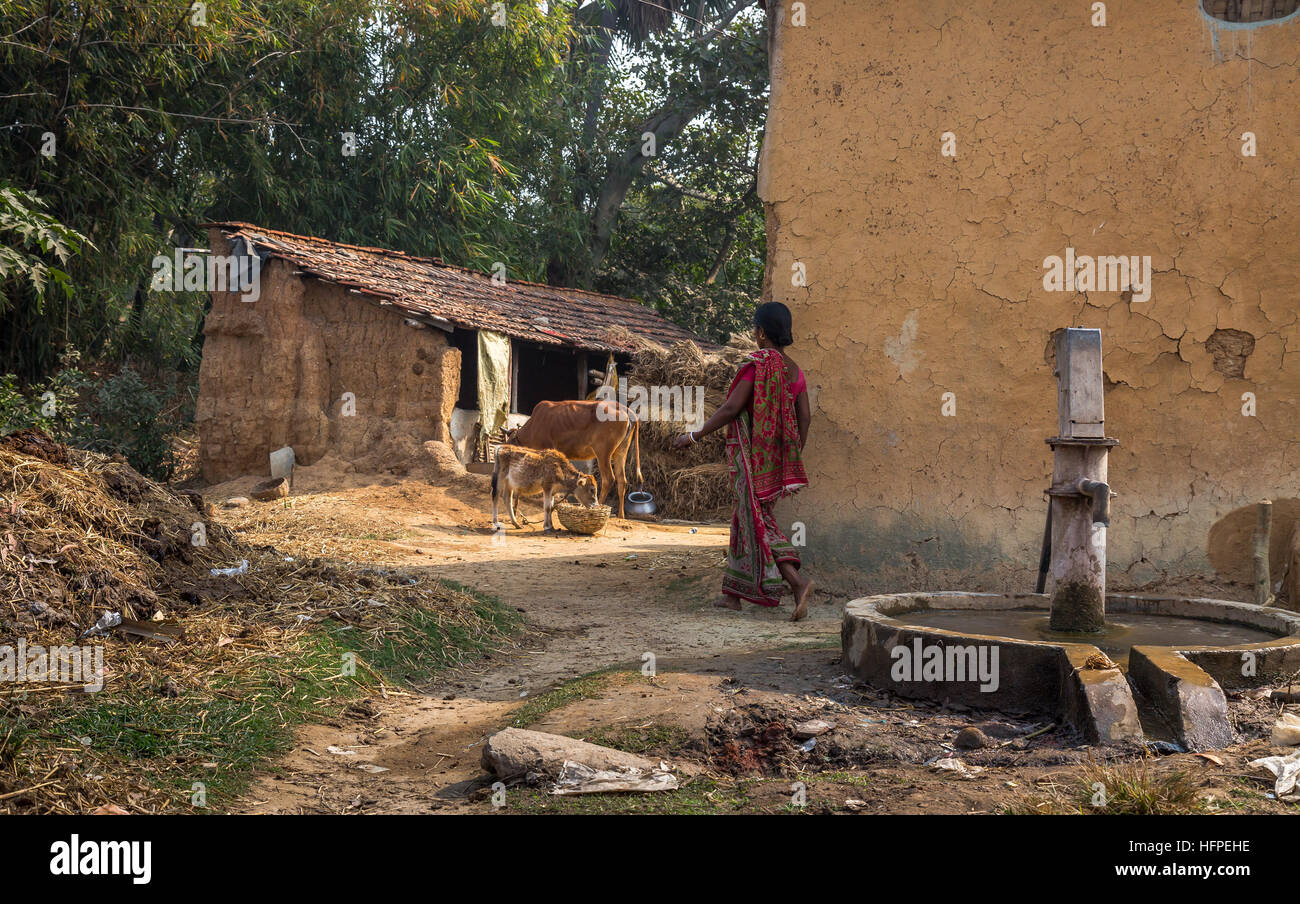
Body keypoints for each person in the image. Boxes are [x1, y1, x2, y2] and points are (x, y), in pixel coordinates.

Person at [672, 301, 814, 621]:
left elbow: (731, 408)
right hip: (776, 462)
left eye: (755, 328)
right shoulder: (794, 371)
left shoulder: (756, 366)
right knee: (745, 518)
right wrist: (791, 453)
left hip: (750, 458)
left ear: (761, 332)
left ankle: (796, 582)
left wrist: (694, 435)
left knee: (757, 520)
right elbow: (804, 417)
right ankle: (733, 594)